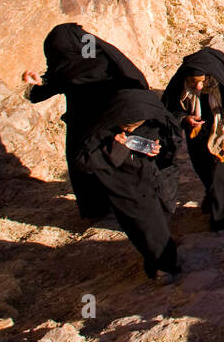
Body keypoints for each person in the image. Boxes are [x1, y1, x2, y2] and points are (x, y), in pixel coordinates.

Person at [23, 23, 149, 219]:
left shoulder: (91, 62)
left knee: (103, 161)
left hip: (106, 120)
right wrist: (41, 81)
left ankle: (116, 206)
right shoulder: (81, 57)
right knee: (88, 165)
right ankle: (102, 208)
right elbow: (54, 79)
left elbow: (66, 74)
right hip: (85, 120)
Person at [76, 89, 182, 280]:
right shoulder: (100, 128)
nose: (129, 131)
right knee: (144, 228)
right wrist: (116, 149)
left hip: (150, 180)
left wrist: (154, 150)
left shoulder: (151, 119)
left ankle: (163, 263)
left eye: (134, 127)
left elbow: (168, 142)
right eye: (127, 126)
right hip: (123, 189)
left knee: (158, 223)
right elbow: (86, 162)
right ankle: (162, 267)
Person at [162, 48, 224, 231]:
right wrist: (185, 119)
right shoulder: (181, 84)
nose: (198, 88)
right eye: (194, 83)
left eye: (202, 82)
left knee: (222, 176)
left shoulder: (223, 83)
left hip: (222, 135)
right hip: (197, 136)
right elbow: (169, 109)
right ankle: (213, 201)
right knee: (204, 170)